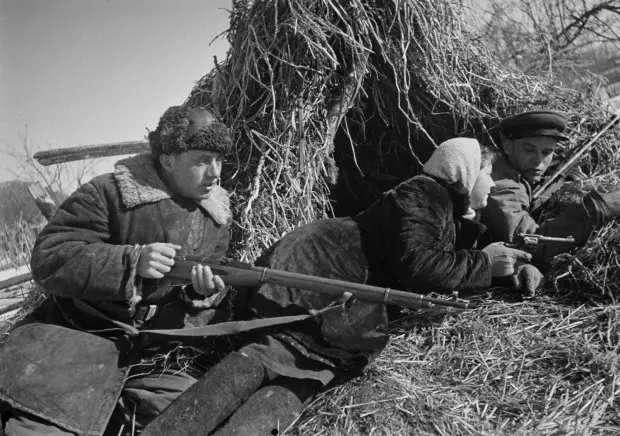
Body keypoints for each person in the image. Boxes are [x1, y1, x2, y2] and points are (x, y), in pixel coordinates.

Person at [140, 137, 534, 436]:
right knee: (272, 354)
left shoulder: (440, 204)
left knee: (308, 374)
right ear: (466, 170)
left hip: (342, 289)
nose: (492, 187)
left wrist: (509, 268)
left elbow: (435, 257)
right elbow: (421, 266)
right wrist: (484, 263)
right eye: (489, 176)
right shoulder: (422, 193)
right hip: (320, 269)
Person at [0, 106, 237, 436]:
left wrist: (200, 293)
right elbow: (48, 258)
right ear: (168, 158)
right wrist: (131, 262)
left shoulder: (216, 215)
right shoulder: (109, 192)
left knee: (193, 419)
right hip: (76, 337)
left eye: (219, 159)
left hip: (152, 355)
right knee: (39, 425)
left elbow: (216, 275)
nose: (215, 173)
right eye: (201, 160)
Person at [479, 110, 620, 265]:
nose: (538, 161)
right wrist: (599, 207)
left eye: (547, 152)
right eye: (529, 150)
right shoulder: (501, 187)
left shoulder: (515, 168)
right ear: (508, 146)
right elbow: (532, 244)